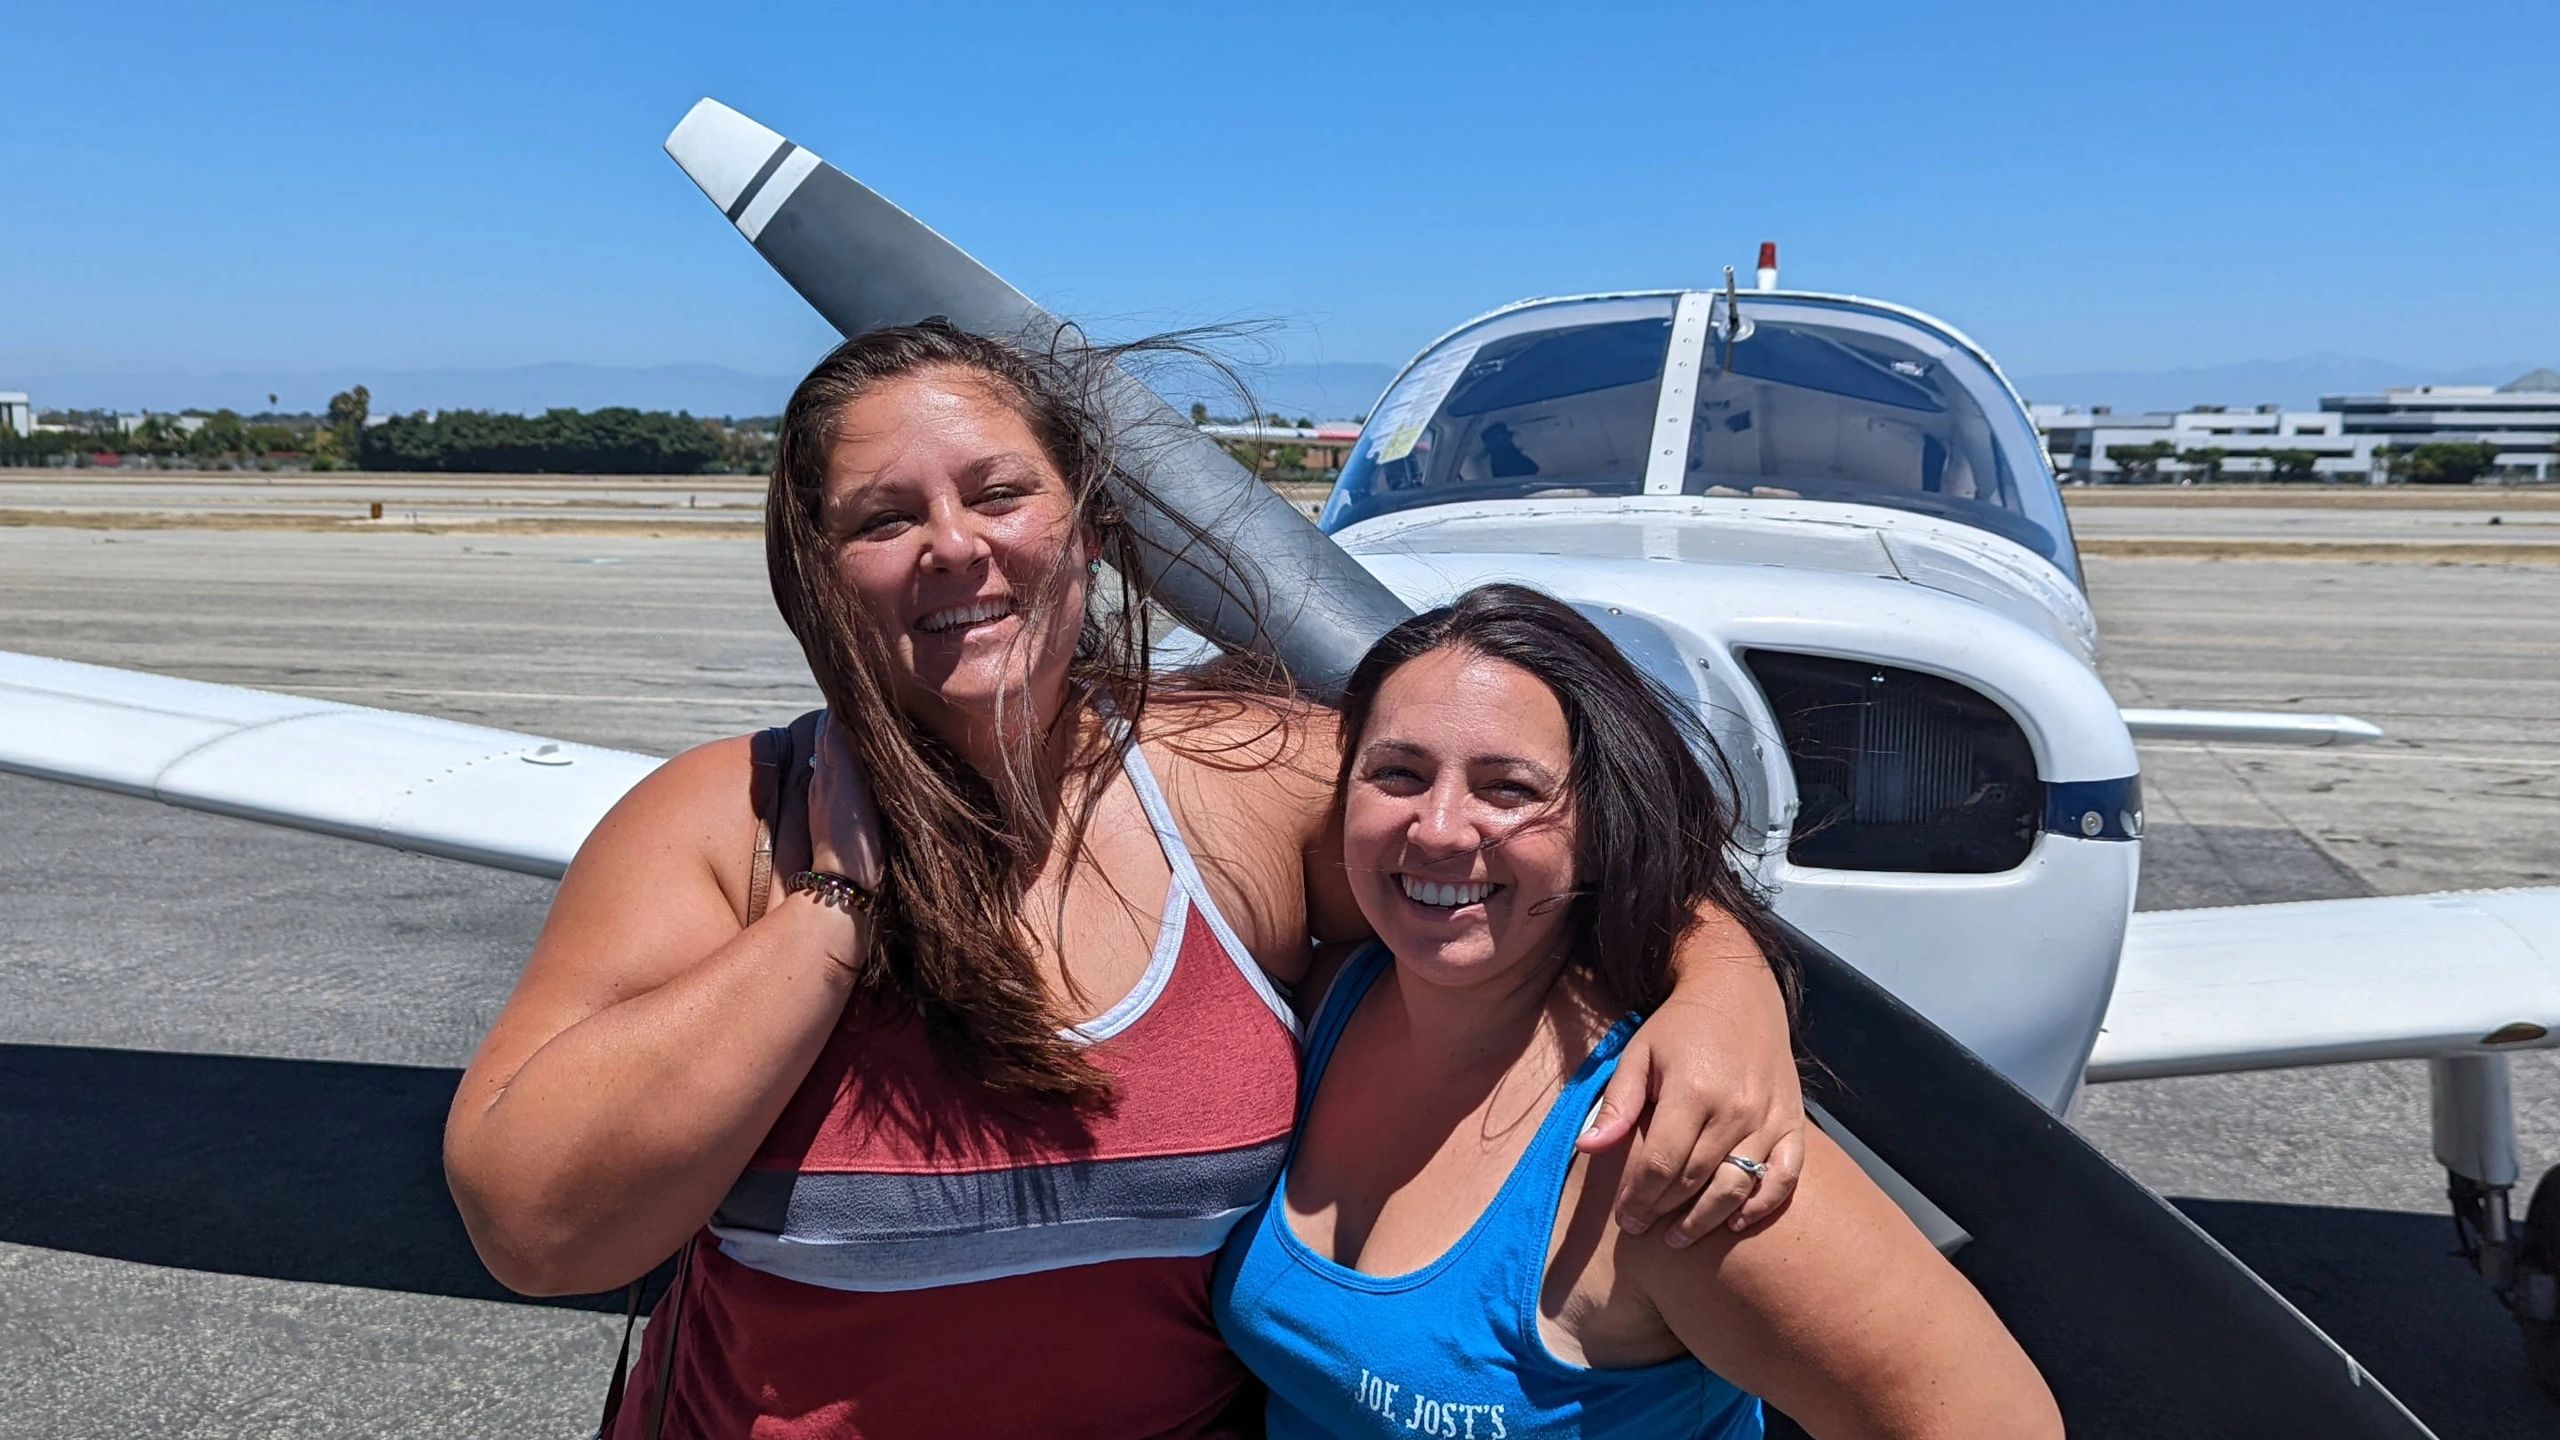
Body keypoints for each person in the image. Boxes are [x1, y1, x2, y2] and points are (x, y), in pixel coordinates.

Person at [442, 323, 1809, 1439]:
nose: (955, 547)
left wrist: (1722, 983)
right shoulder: (722, 824)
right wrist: (835, 909)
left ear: (1088, 527)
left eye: (997, 494)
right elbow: (538, 1230)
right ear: (818, 571)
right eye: (882, 518)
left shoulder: (1245, 781)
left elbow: (1518, 856)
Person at [1215, 584, 2061, 1440]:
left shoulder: (1667, 1143)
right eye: (1397, 773)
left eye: (1508, 789)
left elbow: (1992, 1421)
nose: (1438, 830)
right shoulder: (1322, 1003)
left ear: (1600, 824)